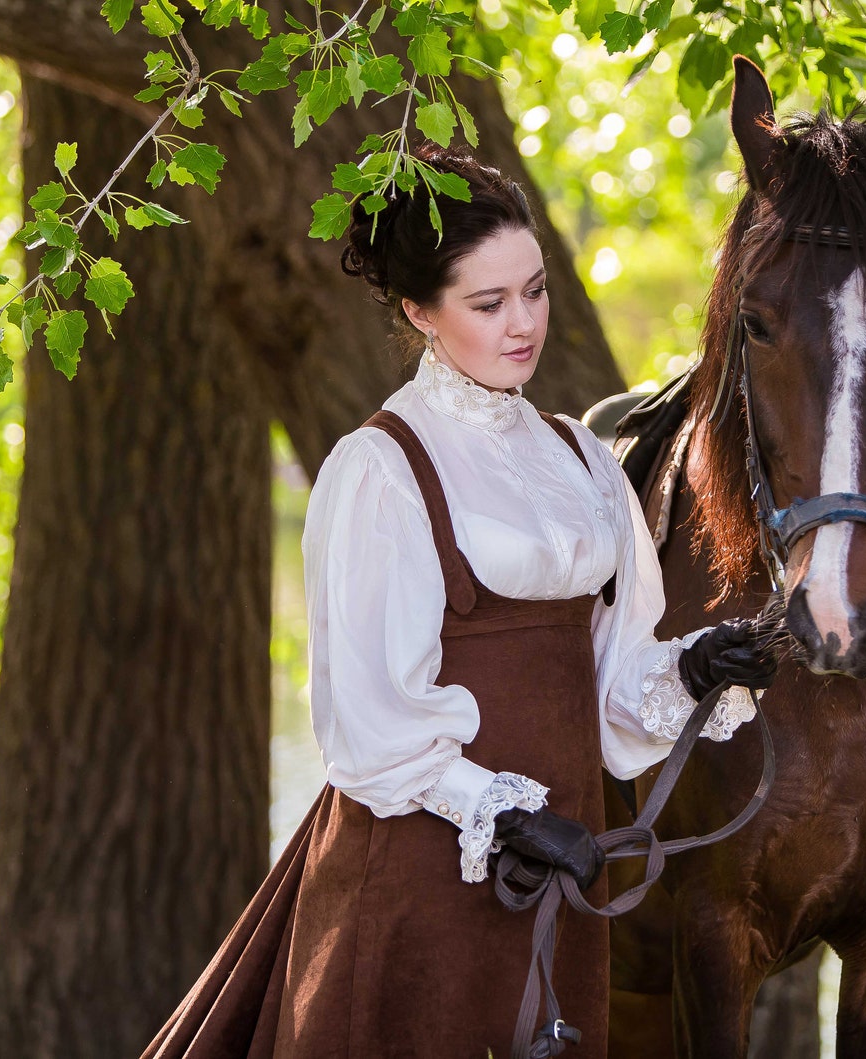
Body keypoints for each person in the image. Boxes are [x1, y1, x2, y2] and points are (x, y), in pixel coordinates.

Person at [140, 144, 778, 1059]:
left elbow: (612, 685)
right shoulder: (382, 468)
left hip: (563, 866)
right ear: (419, 312)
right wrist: (509, 814)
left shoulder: (581, 457)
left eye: (536, 290)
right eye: (488, 303)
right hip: (419, 873)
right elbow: (367, 725)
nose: (523, 323)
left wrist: (694, 667)